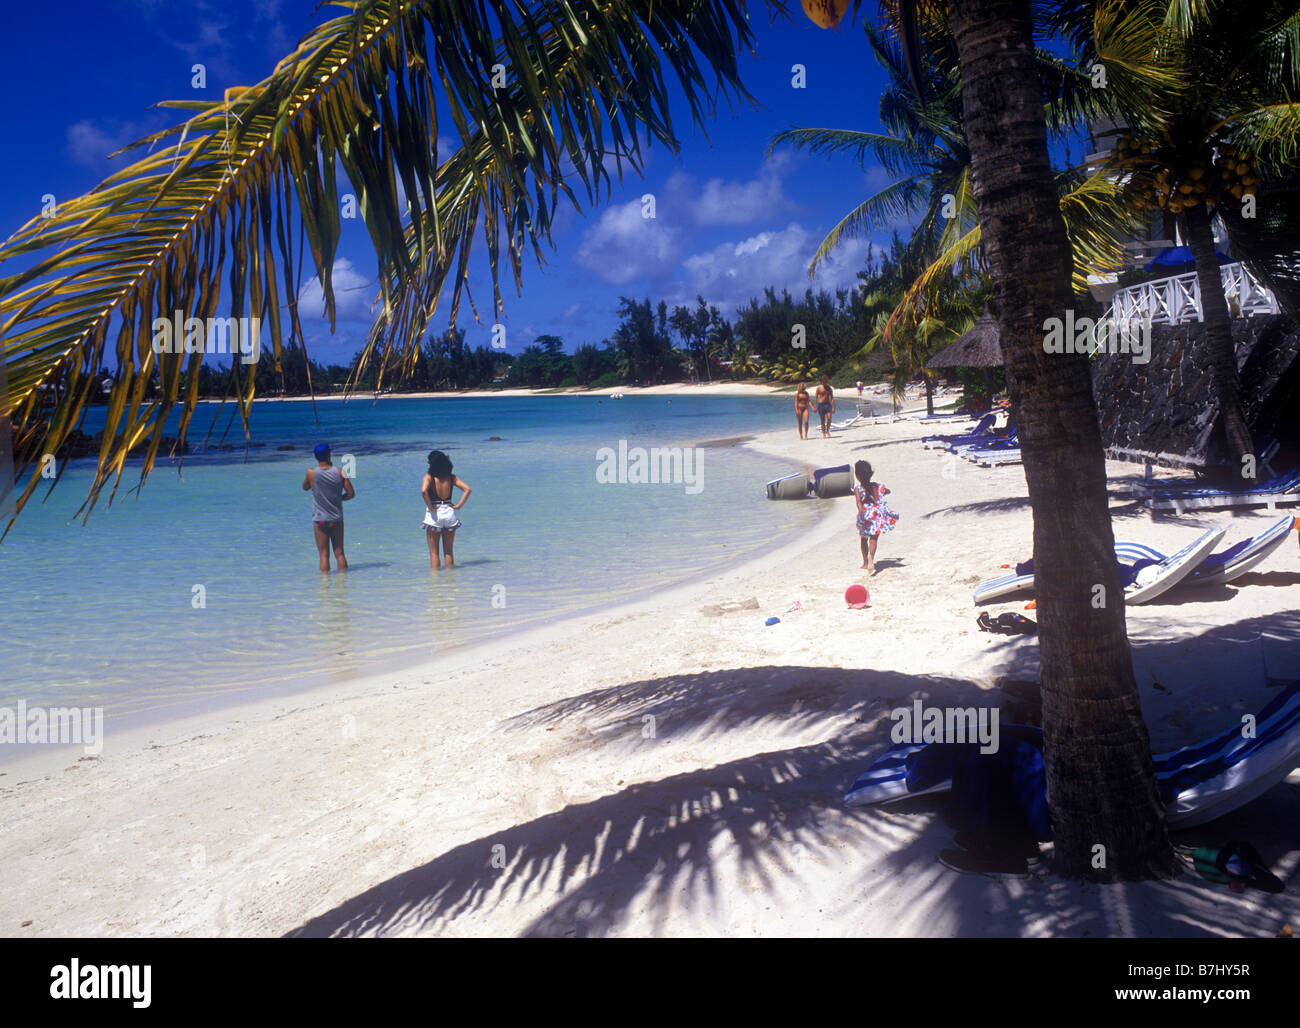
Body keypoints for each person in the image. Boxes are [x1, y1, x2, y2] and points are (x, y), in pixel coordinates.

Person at [303, 443, 354, 572]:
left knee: (324, 555)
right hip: (336, 518)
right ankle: (343, 584)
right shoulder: (340, 472)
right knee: (340, 553)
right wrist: (339, 498)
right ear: (329, 455)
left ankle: (325, 588)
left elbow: (305, 487)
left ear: (315, 457)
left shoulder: (311, 473)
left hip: (320, 519)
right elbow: (351, 494)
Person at [421, 449, 471, 568]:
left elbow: (423, 491)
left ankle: (436, 584)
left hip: (435, 514)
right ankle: (450, 581)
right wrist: (458, 506)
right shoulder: (451, 477)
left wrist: (430, 507)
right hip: (449, 512)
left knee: (434, 553)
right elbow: (467, 489)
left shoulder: (429, 477)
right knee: (448, 551)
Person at [853, 460, 898, 575]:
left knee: (863, 538)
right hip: (877, 515)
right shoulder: (876, 486)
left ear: (857, 476)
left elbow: (858, 502)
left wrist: (861, 510)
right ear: (870, 474)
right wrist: (885, 490)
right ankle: (871, 559)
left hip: (865, 515)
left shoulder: (858, 489)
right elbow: (888, 491)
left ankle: (865, 562)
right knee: (873, 539)